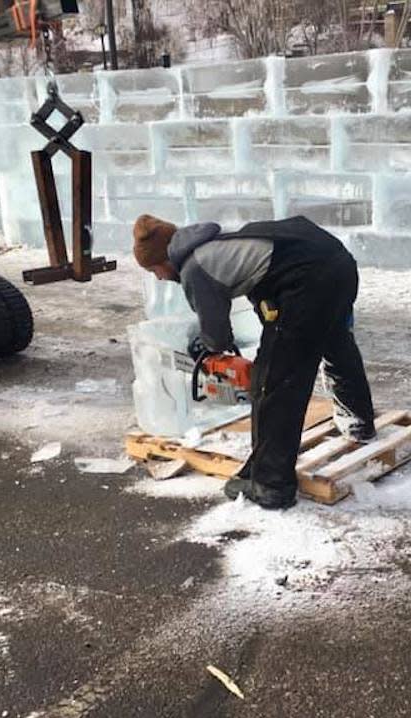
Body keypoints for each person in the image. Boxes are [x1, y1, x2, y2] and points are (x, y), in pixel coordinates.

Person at [133, 214, 377, 510]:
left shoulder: (194, 268)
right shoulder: (224, 244)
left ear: (165, 258)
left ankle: (270, 484)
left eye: (155, 269)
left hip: (308, 282)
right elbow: (267, 286)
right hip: (336, 265)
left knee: (276, 381)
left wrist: (210, 348)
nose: (158, 277)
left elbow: (217, 334)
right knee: (336, 345)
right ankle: (358, 421)